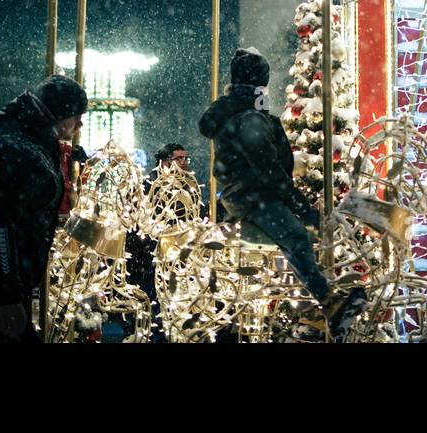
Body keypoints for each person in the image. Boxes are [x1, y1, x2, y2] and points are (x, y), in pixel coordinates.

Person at [198, 48, 365, 341]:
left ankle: (312, 305)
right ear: (258, 83)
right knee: (297, 237)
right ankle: (329, 303)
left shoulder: (240, 113)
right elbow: (269, 170)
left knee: (298, 238)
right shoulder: (249, 118)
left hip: (246, 194)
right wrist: (300, 206)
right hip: (253, 197)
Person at [0, 75, 87, 343]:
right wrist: (8, 297)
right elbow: (1, 226)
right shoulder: (19, 152)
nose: (80, 123)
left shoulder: (26, 145)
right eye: (76, 115)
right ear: (58, 114)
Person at [126, 143, 189, 342]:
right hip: (148, 260)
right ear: (164, 163)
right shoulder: (147, 188)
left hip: (177, 260)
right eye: (178, 159)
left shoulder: (187, 189)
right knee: (151, 311)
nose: (184, 163)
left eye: (185, 159)